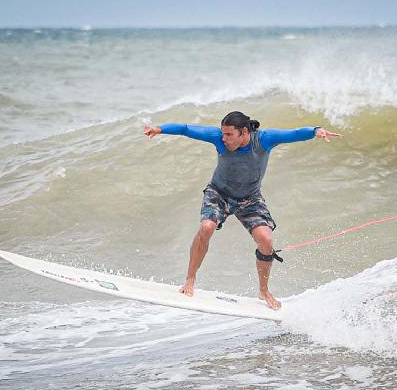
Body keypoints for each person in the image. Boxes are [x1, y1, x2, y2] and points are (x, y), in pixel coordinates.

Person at [144, 111, 341, 310]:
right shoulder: (219, 139)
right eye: (223, 134)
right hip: (219, 193)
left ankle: (264, 291)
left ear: (244, 132)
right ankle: (190, 279)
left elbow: (294, 133)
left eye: (229, 135)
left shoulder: (264, 140)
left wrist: (316, 131)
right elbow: (186, 129)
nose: (224, 138)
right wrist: (159, 129)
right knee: (206, 227)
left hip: (250, 198)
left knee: (266, 240)